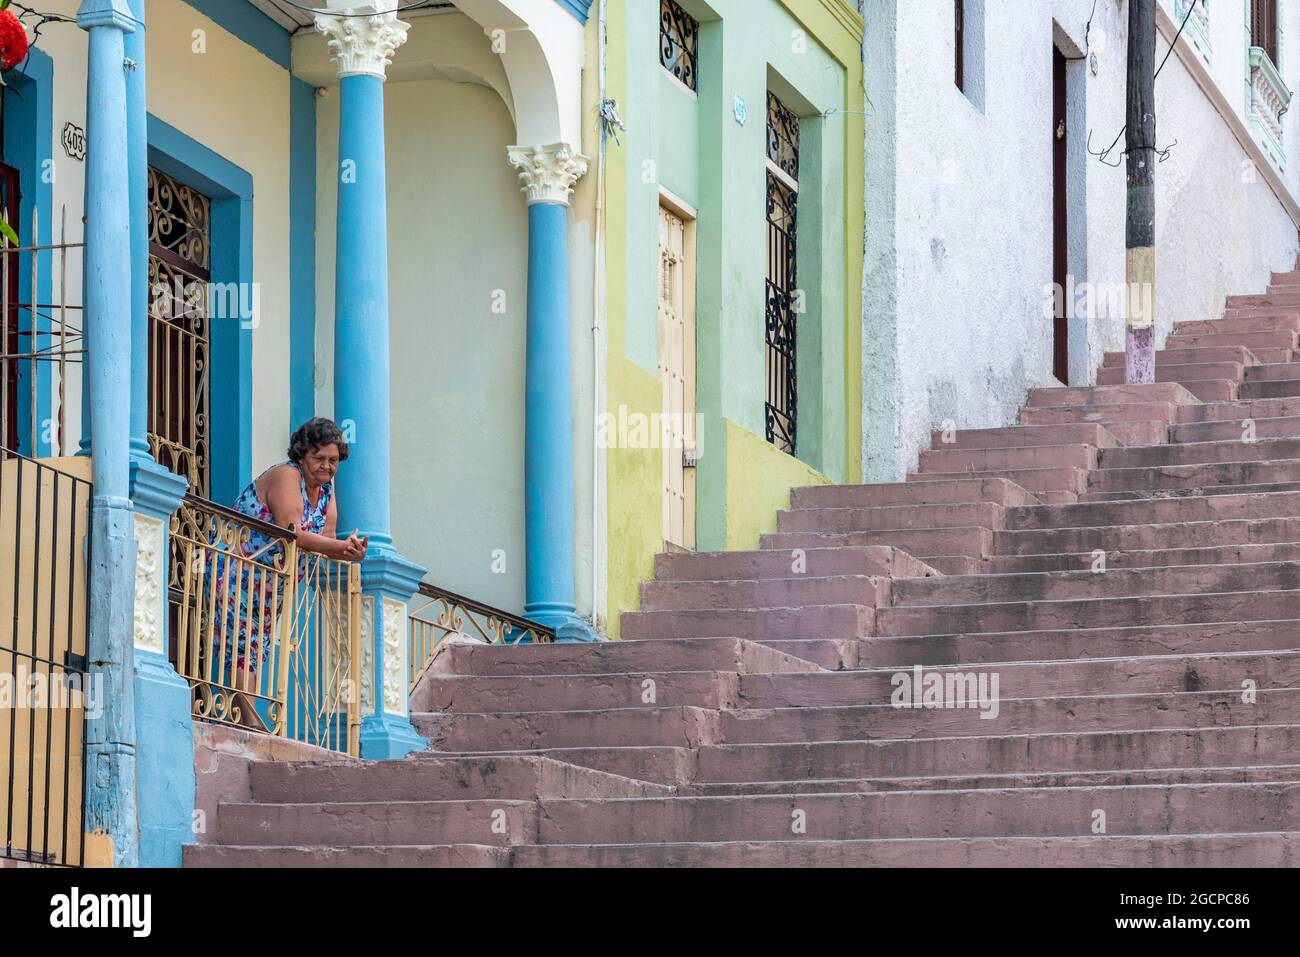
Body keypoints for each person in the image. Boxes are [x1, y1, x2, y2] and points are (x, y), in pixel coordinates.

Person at [210, 418, 368, 731]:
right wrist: (340, 547)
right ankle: (250, 722)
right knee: (243, 645)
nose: (326, 466)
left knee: (257, 648)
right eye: (318, 458)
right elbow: (291, 532)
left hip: (273, 584)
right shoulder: (287, 475)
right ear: (301, 455)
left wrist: (349, 550)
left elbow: (327, 536)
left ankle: (247, 718)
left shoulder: (325, 491)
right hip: (239, 568)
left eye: (333, 460)